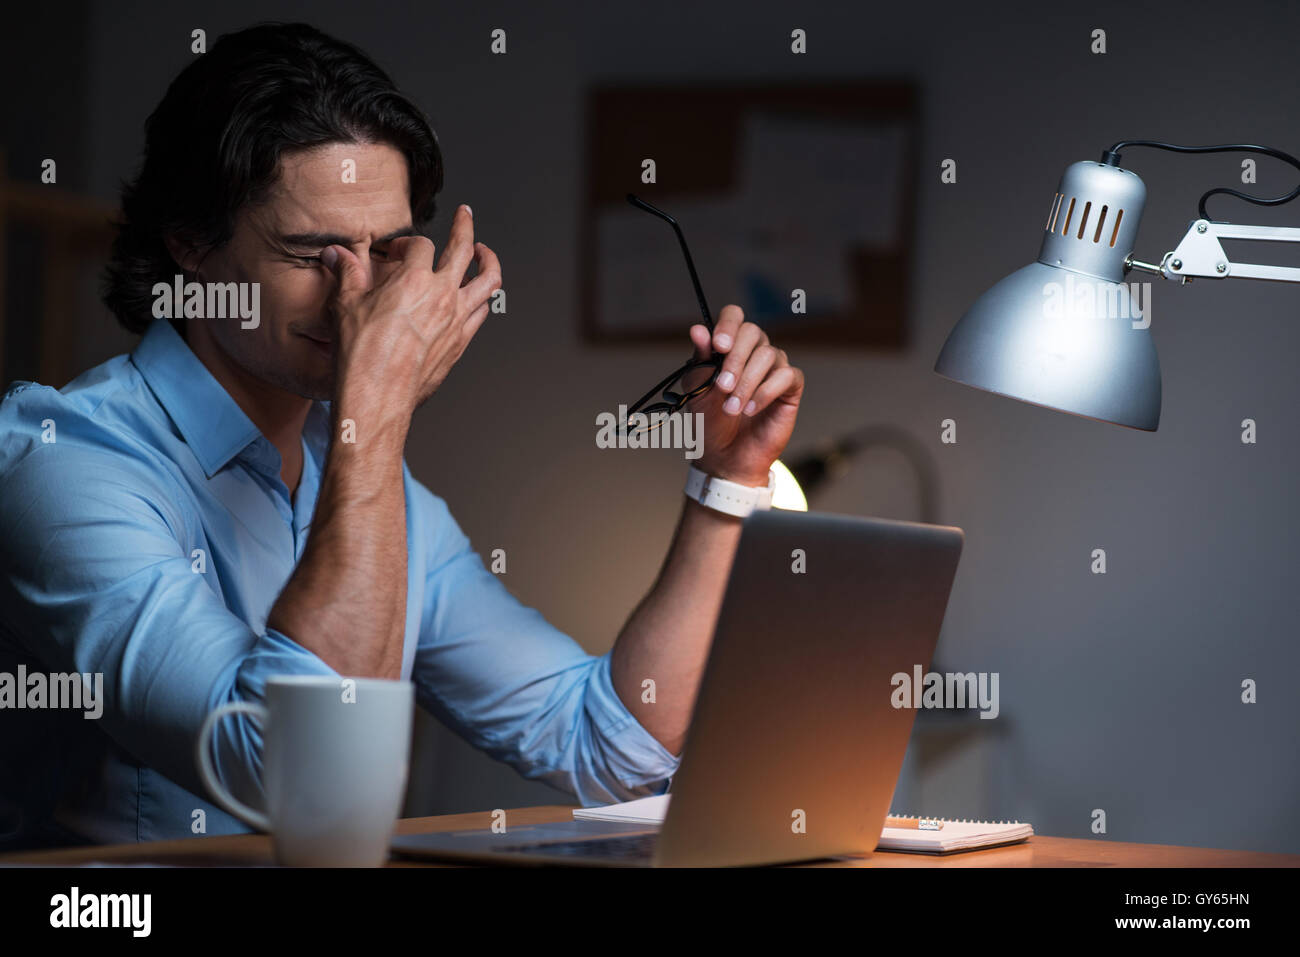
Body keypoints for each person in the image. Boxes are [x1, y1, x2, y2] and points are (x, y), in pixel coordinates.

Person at [0, 22, 804, 847]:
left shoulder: (369, 485)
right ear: (191, 248)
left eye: (384, 250)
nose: (358, 295)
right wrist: (375, 405)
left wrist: (726, 482)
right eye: (313, 254)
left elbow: (609, 744)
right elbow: (295, 779)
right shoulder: (64, 463)